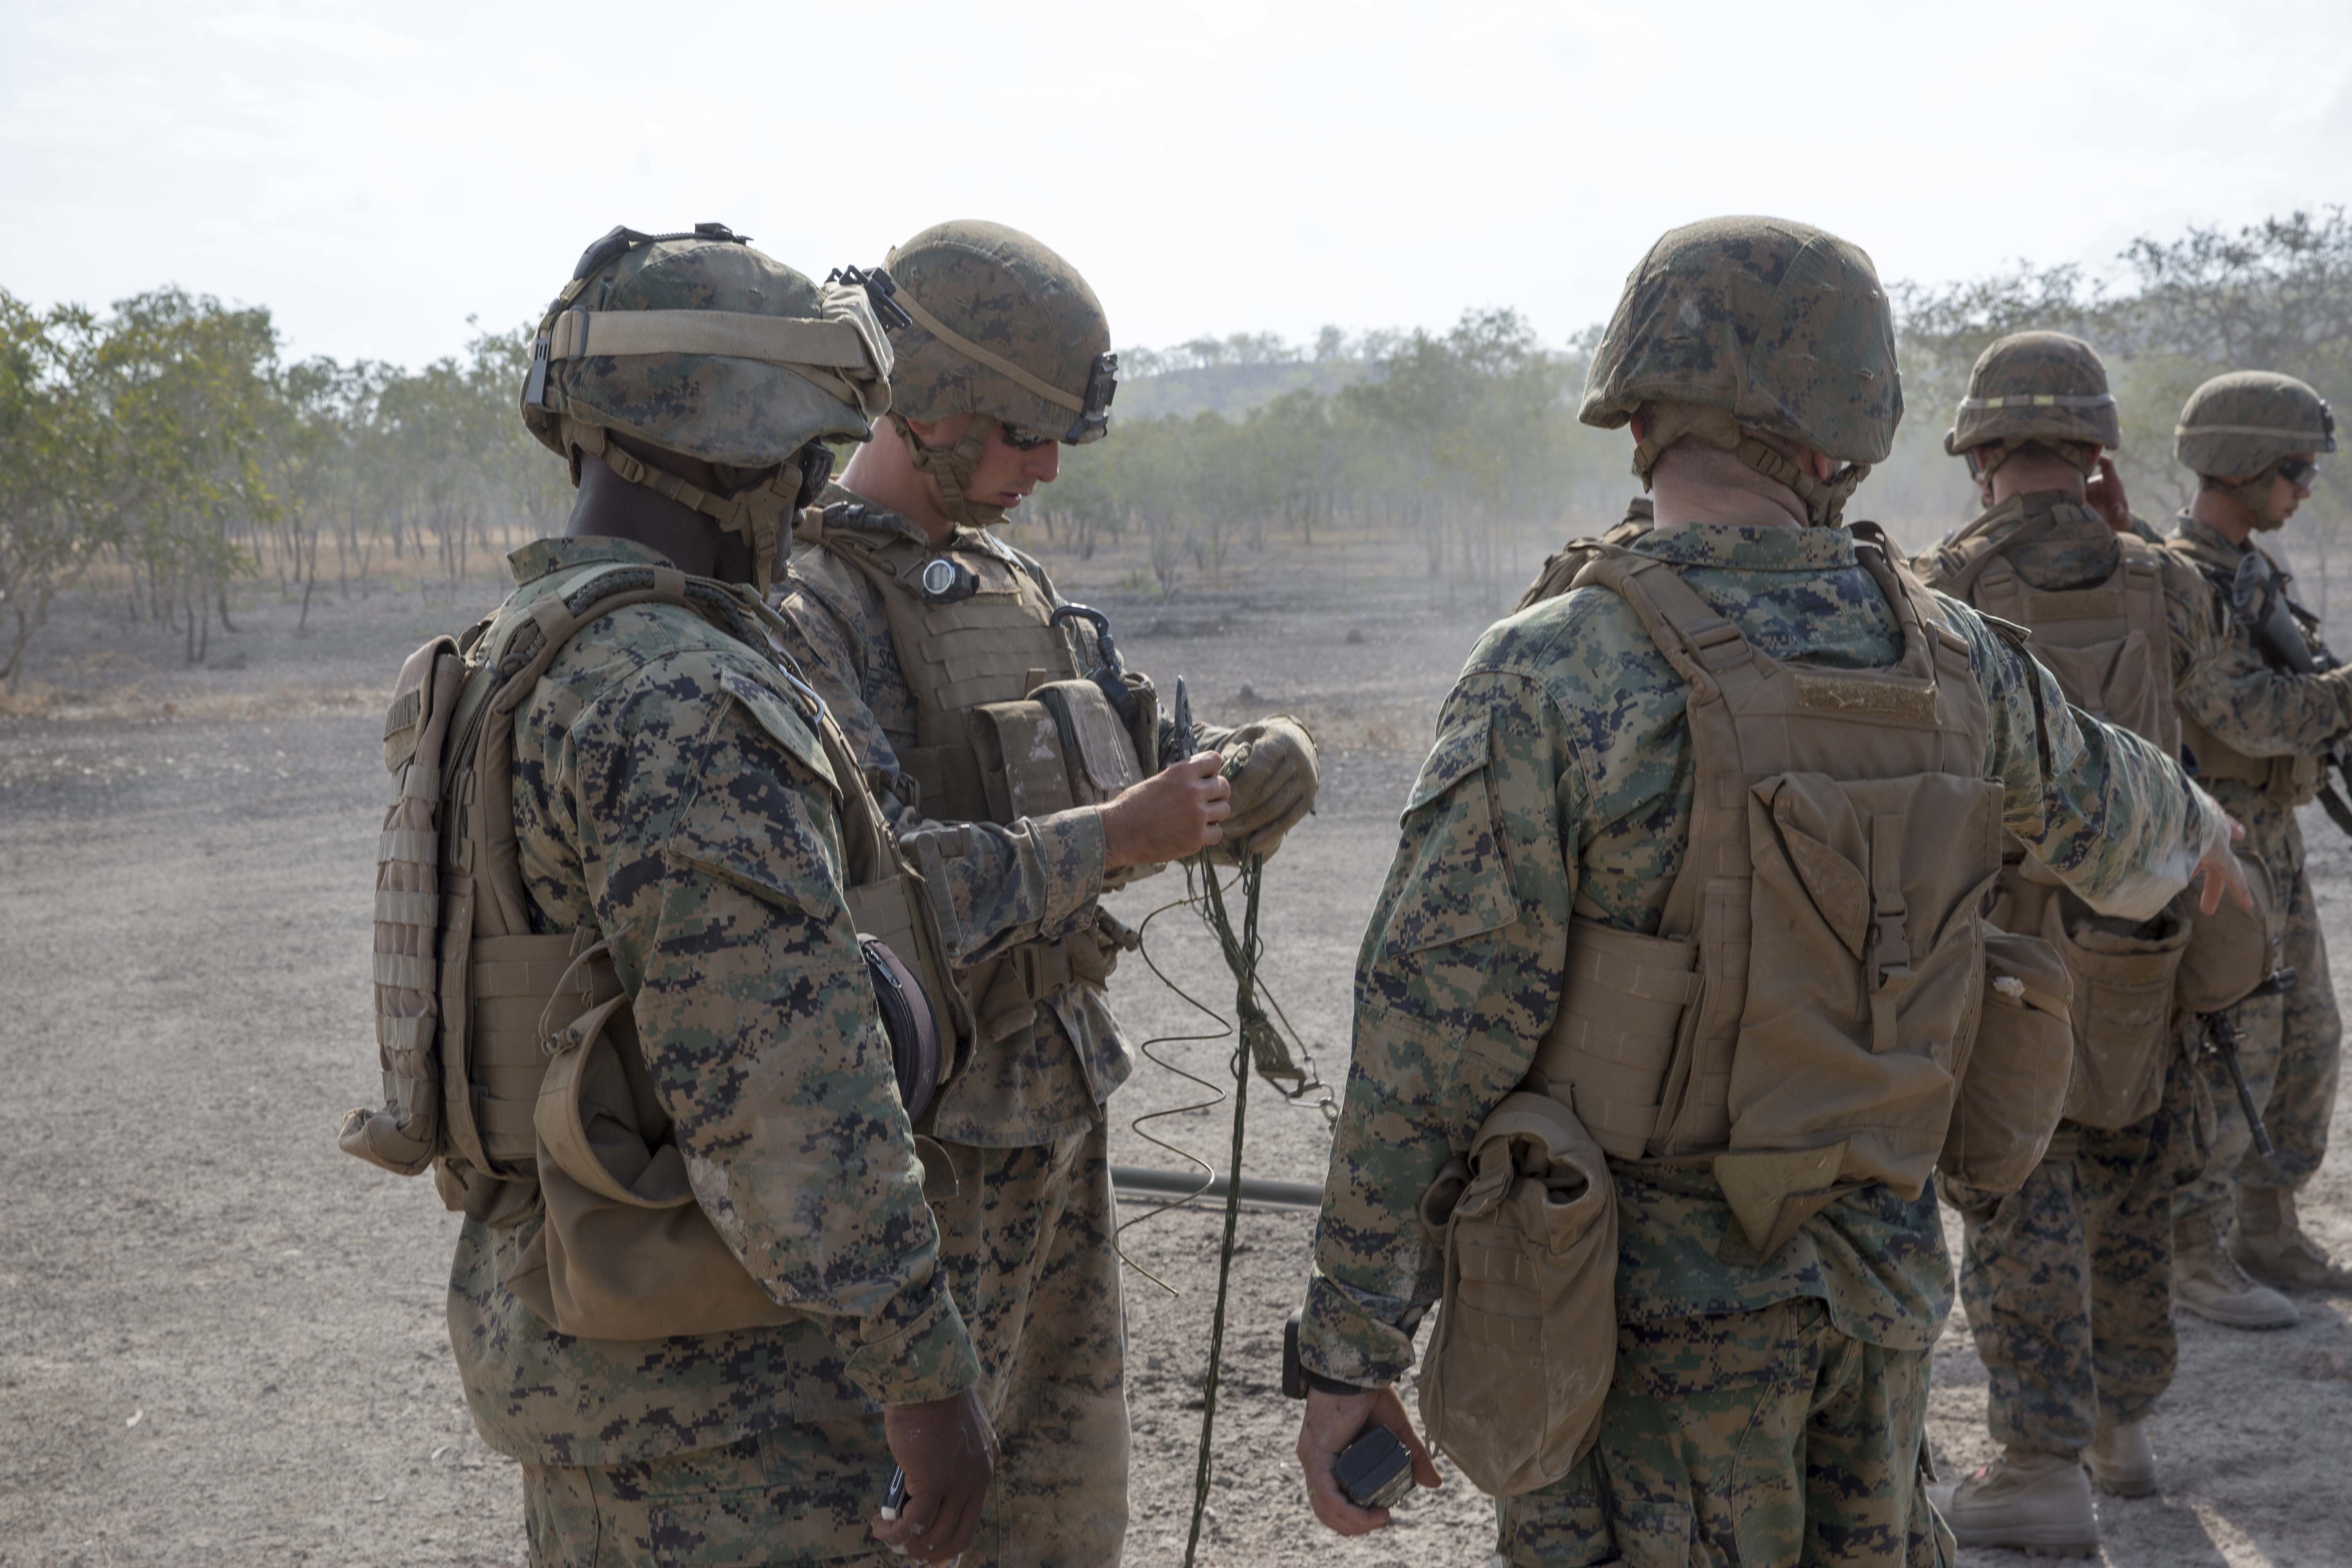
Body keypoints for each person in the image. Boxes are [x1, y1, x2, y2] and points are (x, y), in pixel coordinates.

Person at [1289, 216, 2248, 1567]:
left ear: (1638, 416)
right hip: (1879, 1306)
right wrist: (2207, 841)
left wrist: (1348, 1349)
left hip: (1623, 1337)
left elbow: (1429, 1032)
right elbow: (2157, 842)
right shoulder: (1963, 656)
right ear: (1847, 433)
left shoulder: (1555, 669)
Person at [341, 224, 1036, 1566]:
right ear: (743, 448)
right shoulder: (680, 691)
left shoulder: (530, 651)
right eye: (805, 454)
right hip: (725, 1398)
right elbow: (784, 1082)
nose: (811, 485)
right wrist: (922, 1372)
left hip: (602, 1349)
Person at [772, 218, 1316, 1568]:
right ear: (922, 404)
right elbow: (879, 896)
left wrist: (1239, 787)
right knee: (924, 1522)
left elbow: (1137, 771)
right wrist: (1120, 837)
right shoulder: (810, 607)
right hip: (935, 1156)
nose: (1043, 468)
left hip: (1061, 1117)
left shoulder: (1015, 585)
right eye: (1018, 434)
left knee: (1066, 1519)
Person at [1913, 332, 2223, 1550]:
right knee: (2132, 1175)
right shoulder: (2166, 576)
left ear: (1981, 451)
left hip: (2014, 951)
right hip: (2144, 939)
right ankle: (2124, 1433)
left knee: (2017, 1189)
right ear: (2097, 452)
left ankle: (2039, 1463)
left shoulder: (1946, 583)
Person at [2163, 370, 2352, 1308]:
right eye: (2292, 470)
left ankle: (2269, 1230)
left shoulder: (2249, 573)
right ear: (2240, 468)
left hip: (2274, 842)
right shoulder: (2180, 581)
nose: (2304, 488)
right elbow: (2241, 712)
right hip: (2218, 853)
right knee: (2237, 1048)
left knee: (2311, 1038)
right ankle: (2193, 1251)